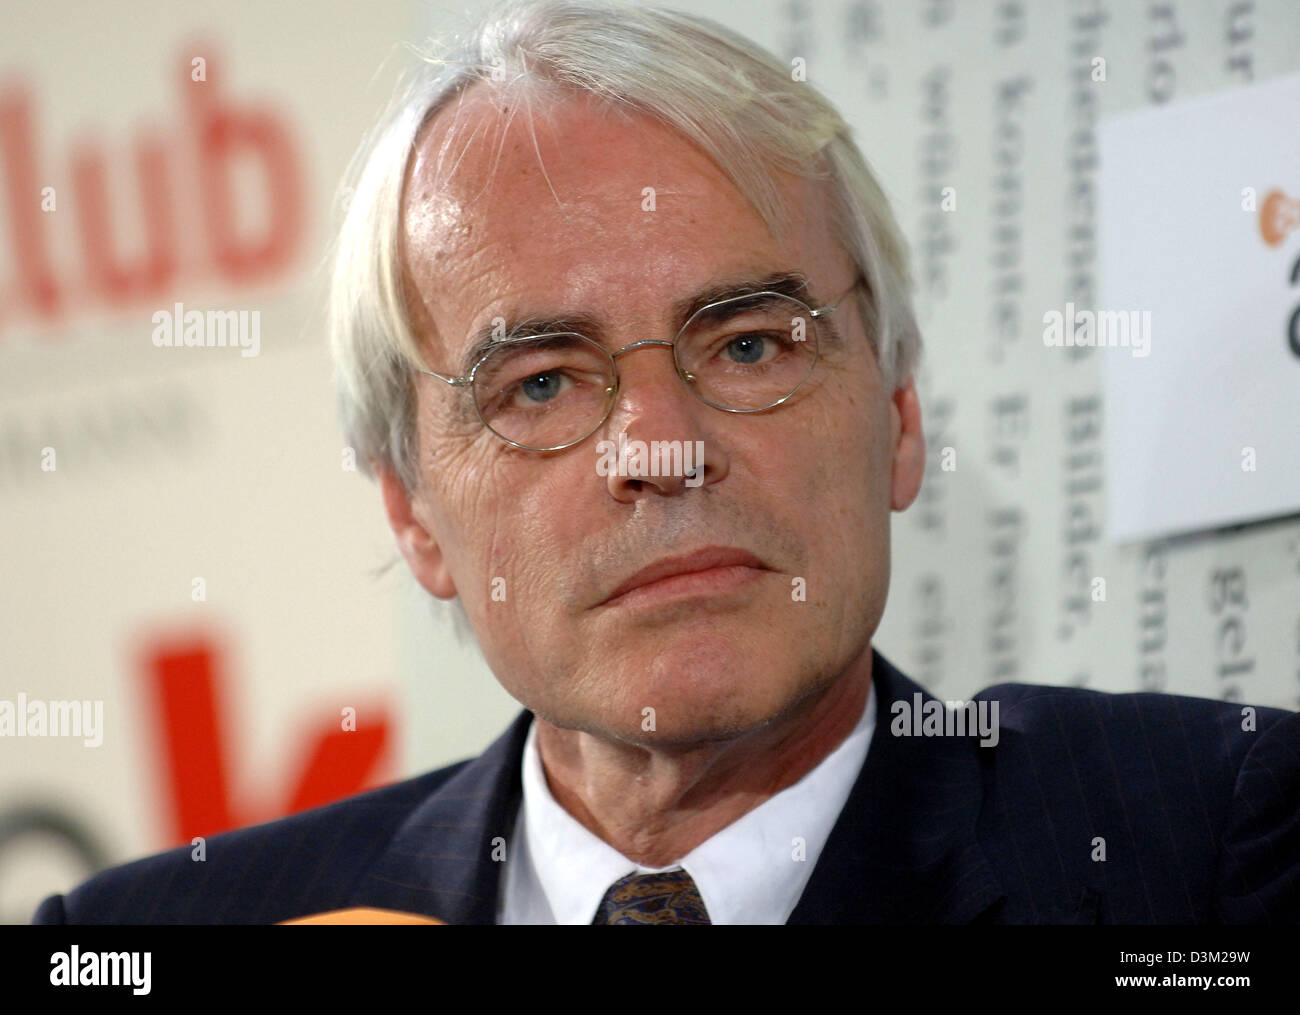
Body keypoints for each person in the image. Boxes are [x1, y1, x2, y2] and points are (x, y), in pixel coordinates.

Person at [34, 0, 1299, 925]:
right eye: (539, 384)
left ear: (899, 414)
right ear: (412, 513)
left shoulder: (1203, 842)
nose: (663, 447)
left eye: (748, 346)